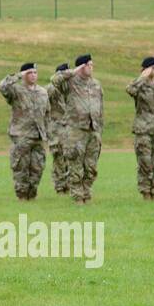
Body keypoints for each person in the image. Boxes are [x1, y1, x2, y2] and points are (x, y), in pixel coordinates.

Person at [50, 55, 103, 204]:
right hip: (76, 130)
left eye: (92, 65)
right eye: (88, 65)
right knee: (76, 165)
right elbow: (54, 80)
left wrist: (100, 129)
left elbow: (101, 107)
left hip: (93, 130)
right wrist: (73, 71)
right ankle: (78, 197)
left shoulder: (96, 84)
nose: (91, 67)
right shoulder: (70, 83)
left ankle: (86, 193)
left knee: (91, 167)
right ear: (81, 66)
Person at [0, 63, 49, 200]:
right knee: (21, 168)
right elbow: (2, 86)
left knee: (38, 167)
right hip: (21, 136)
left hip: (38, 136)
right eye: (29, 73)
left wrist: (48, 132)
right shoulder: (16, 90)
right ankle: (22, 196)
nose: (33, 75)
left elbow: (47, 114)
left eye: (35, 72)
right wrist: (18, 75)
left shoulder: (43, 92)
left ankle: (32, 195)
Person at [126, 57, 154, 200]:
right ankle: (146, 194)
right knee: (145, 164)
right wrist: (142, 77)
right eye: (153, 68)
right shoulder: (140, 85)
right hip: (144, 130)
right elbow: (130, 90)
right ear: (145, 69)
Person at [45, 64, 70, 195]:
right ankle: (60, 186)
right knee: (59, 157)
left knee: (70, 157)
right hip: (55, 128)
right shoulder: (51, 88)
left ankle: (69, 184)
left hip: (69, 127)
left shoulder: (70, 89)